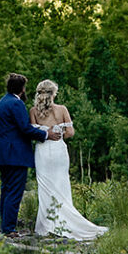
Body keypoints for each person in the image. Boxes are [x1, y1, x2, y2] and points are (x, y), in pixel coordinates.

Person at [29, 79, 107, 240]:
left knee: (45, 187)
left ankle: (46, 225)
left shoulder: (33, 111)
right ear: (53, 94)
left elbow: (33, 133)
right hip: (58, 150)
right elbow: (70, 132)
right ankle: (65, 222)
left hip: (42, 151)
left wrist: (46, 134)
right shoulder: (62, 109)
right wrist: (60, 135)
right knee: (61, 185)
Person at [0, 72, 59, 237]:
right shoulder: (16, 104)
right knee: (14, 191)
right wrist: (45, 134)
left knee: (6, 191)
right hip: (15, 155)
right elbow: (25, 128)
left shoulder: (1, 103)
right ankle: (9, 229)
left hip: (2, 154)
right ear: (21, 89)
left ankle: (5, 225)